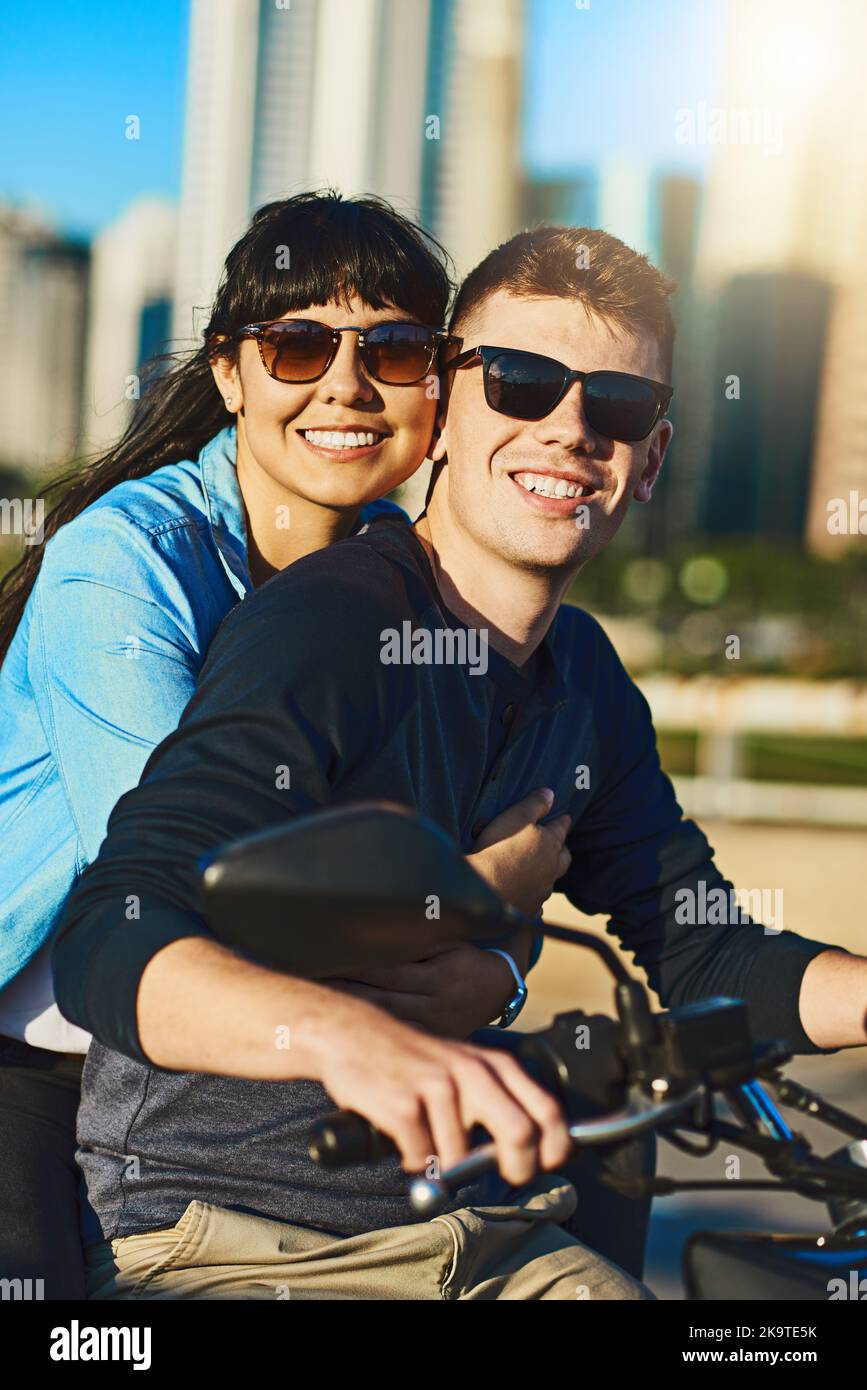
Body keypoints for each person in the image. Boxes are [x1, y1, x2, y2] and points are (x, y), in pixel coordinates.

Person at [53, 223, 865, 1302]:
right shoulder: (332, 627)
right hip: (233, 1236)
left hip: (488, 1227)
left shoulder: (585, 678)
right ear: (442, 408)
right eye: (523, 383)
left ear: (651, 457)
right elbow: (118, 928)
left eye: (617, 404)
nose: (571, 428)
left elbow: (705, 951)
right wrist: (355, 1038)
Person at [0, 192, 564, 1298]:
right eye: (298, 342)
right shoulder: (122, 562)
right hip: (39, 1059)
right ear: (231, 373)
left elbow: (535, 813)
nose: (346, 386)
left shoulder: (421, 577)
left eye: (396, 351)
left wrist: (494, 965)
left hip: (252, 1068)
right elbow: (206, 890)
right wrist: (484, 895)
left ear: (441, 390)